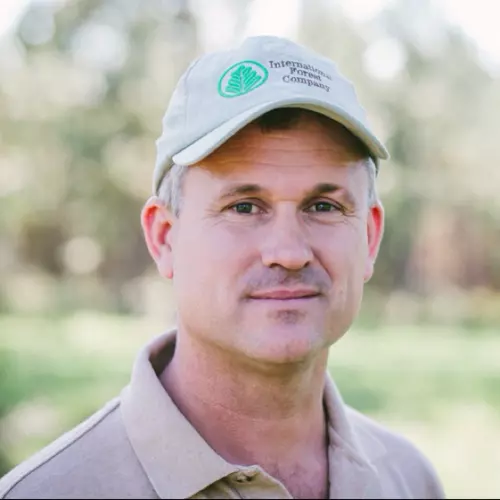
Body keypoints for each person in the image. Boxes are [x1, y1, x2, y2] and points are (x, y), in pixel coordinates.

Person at [0, 35, 445, 499]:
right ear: (164, 237)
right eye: (245, 207)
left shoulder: (410, 480)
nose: (289, 252)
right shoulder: (51, 492)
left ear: (370, 238)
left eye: (323, 206)